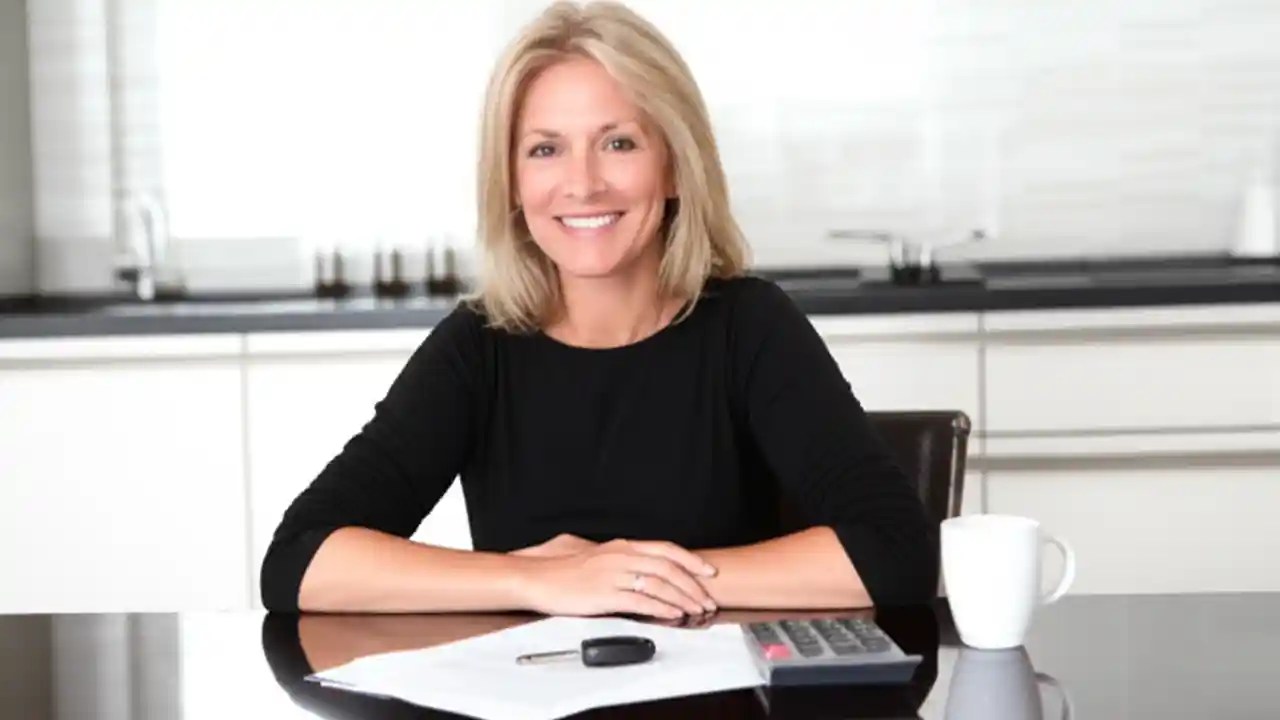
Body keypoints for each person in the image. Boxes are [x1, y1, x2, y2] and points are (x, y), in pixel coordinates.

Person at [261, 0, 937, 618]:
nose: (582, 184)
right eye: (545, 149)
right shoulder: (478, 346)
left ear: (673, 166)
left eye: (619, 142)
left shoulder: (750, 326)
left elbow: (896, 553)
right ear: (513, 183)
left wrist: (629, 580)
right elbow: (300, 561)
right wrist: (537, 580)